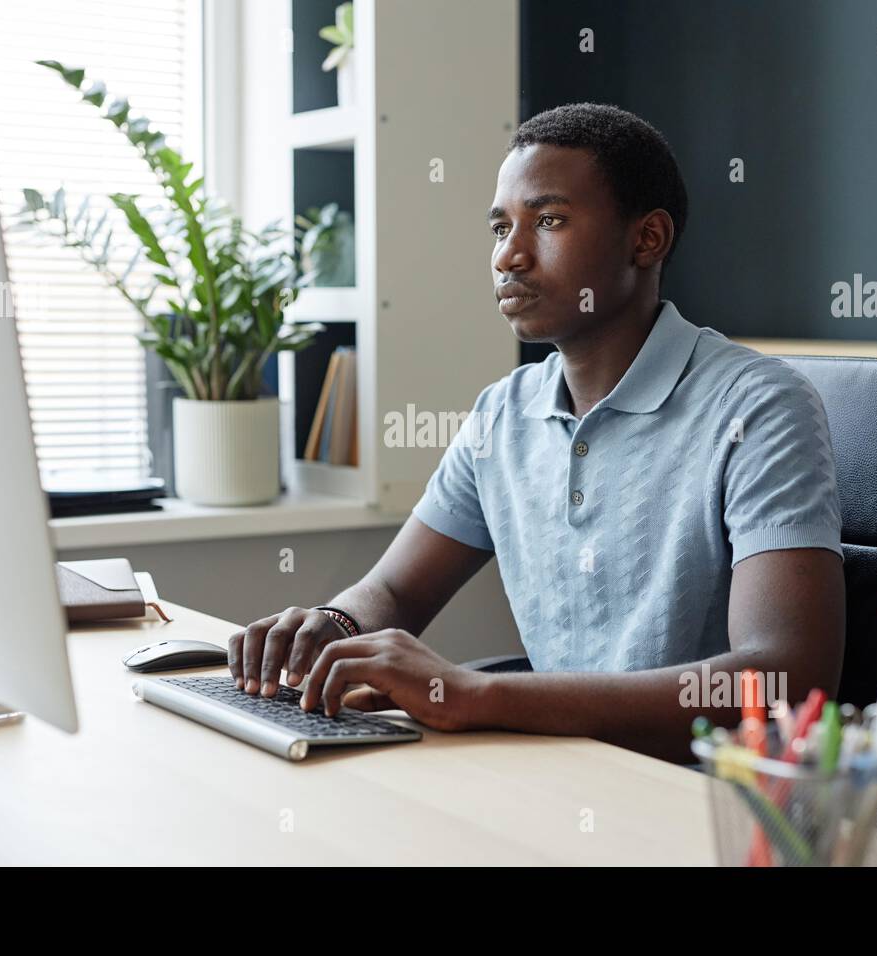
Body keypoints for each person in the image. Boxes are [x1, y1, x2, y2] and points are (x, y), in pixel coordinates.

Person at [229, 103, 845, 761]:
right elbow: (396, 591)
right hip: (556, 775)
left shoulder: (759, 407)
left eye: (548, 221)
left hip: (695, 802)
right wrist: (335, 625)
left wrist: (476, 695)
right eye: (500, 227)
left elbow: (785, 676)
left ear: (648, 239)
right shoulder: (502, 413)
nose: (510, 255)